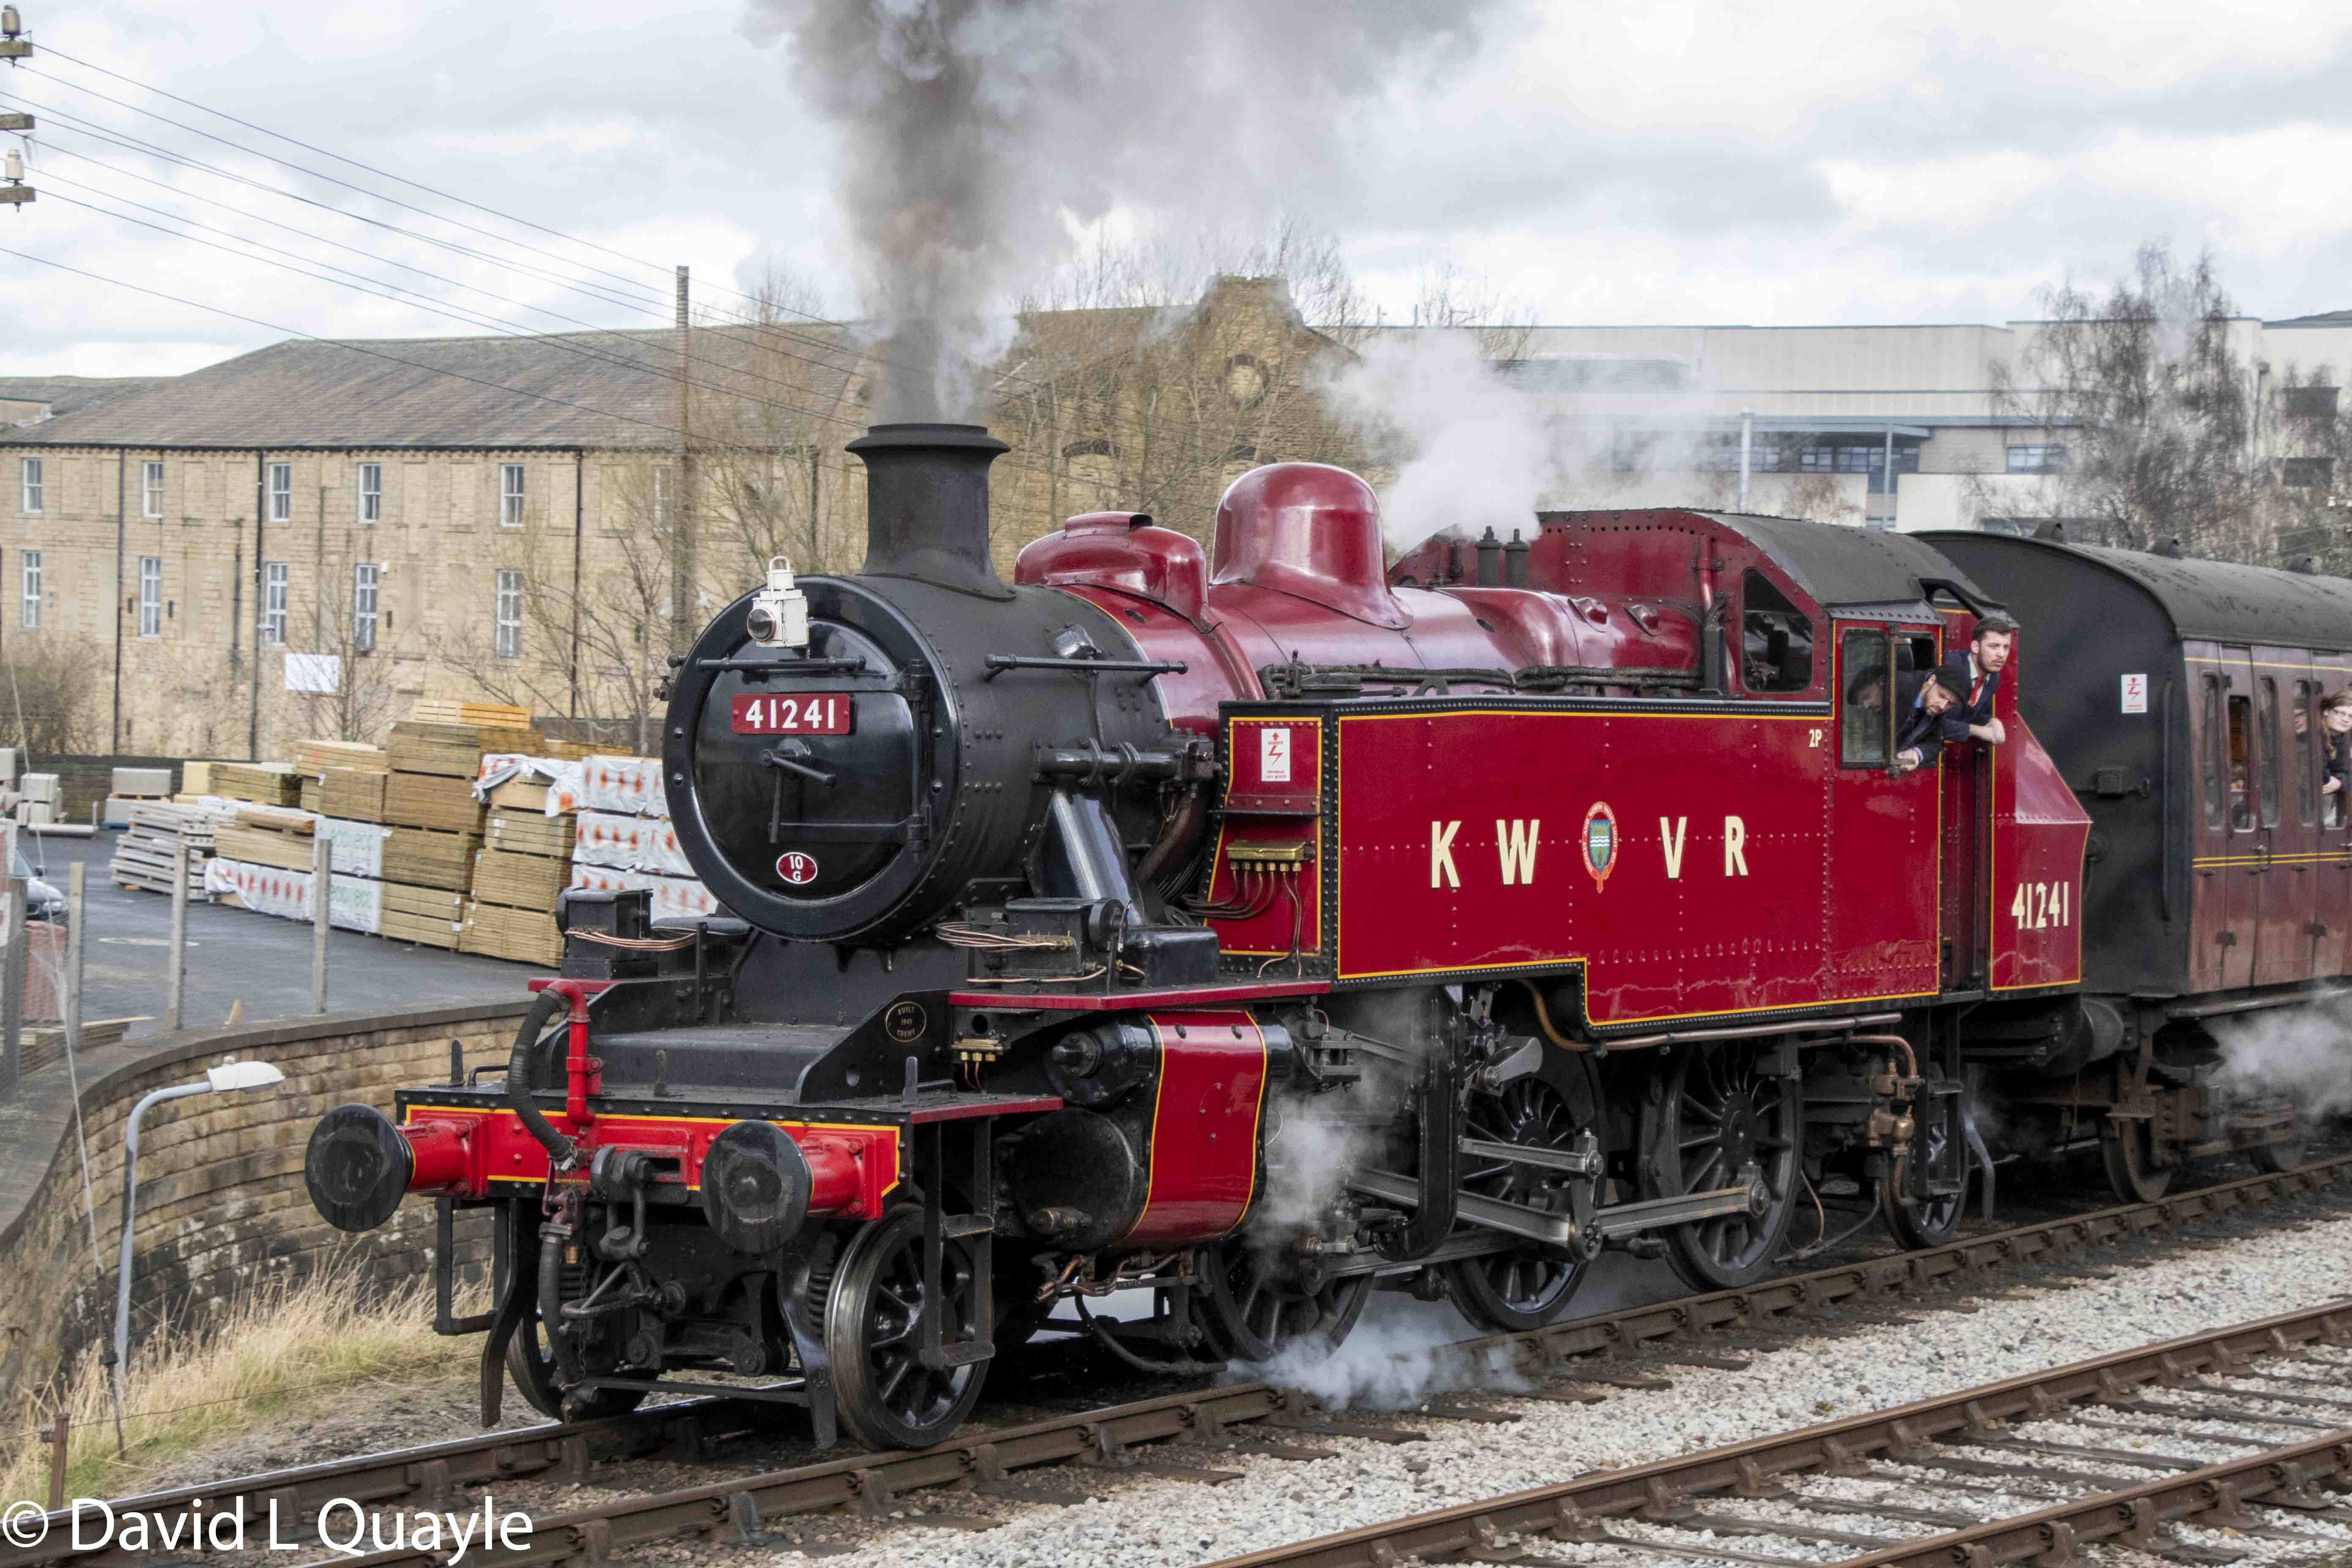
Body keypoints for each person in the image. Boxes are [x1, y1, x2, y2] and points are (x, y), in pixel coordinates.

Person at [1943, 614, 2017, 746]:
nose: (2001, 654)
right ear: (1976, 647)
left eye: (2006, 647)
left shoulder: (1993, 677)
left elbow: (1967, 716)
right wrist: (1976, 730)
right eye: (1994, 646)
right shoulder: (1951, 668)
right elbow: (1931, 723)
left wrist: (1992, 722)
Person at [1895, 657, 1970, 774]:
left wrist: (1916, 753)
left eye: (1951, 704)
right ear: (1932, 680)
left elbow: (1935, 743)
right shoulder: (1898, 685)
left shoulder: (1936, 710)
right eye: (1942, 696)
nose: (1943, 706)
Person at [2323, 691, 2352, 825]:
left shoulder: (2338, 737)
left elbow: (2342, 771)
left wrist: (2340, 782)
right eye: (2341, 713)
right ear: (2327, 712)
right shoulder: (2318, 735)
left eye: (2351, 716)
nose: (2346, 719)